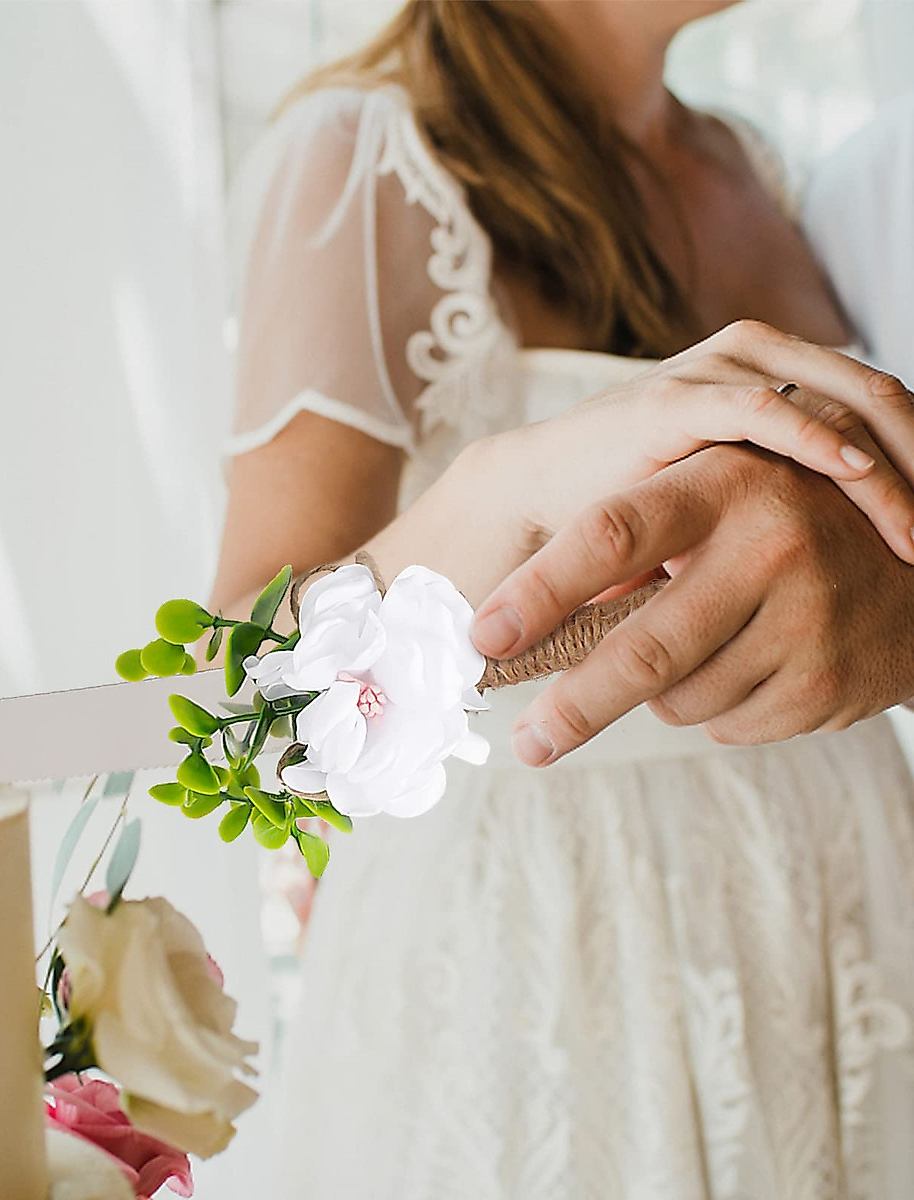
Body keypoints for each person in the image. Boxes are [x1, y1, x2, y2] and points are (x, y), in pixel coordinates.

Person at [211, 3, 914, 1195]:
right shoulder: (364, 157)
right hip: (552, 944)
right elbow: (244, 706)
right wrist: (506, 488)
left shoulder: (754, 169)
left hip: (837, 896)